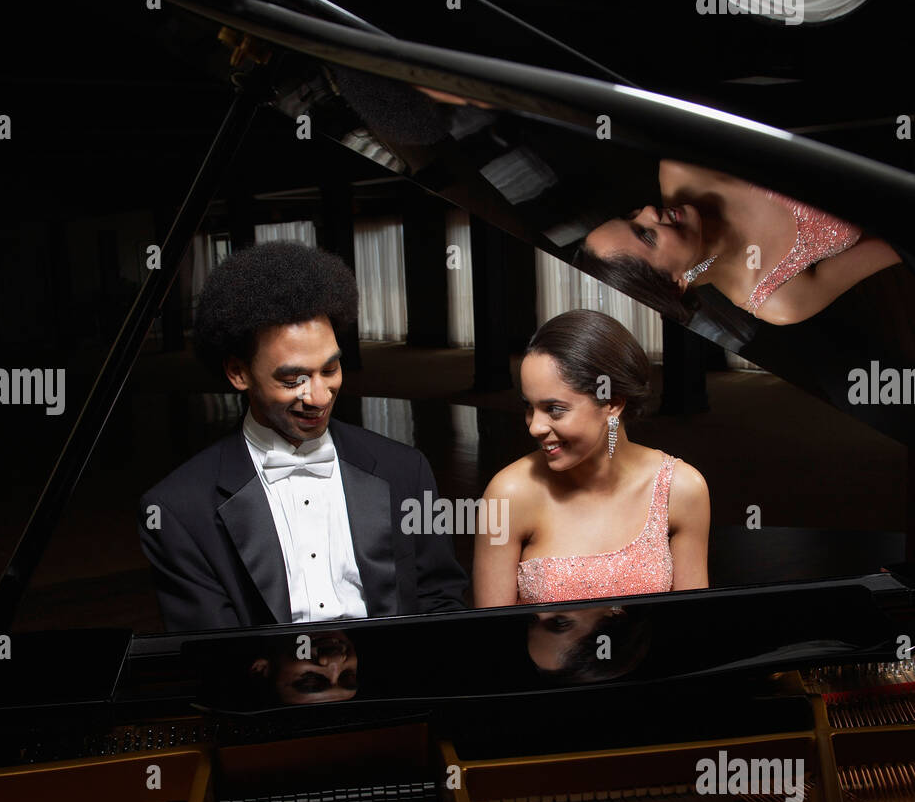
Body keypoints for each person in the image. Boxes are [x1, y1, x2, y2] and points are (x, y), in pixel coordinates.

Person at [139, 241, 467, 631]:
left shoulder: (405, 470)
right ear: (238, 373)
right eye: (293, 379)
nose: (319, 397)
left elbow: (440, 602)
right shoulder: (177, 508)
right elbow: (214, 652)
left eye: (330, 370)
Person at [472, 309, 709, 607]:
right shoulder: (508, 495)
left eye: (554, 409)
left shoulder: (682, 488)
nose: (535, 426)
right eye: (529, 408)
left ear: (612, 403)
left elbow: (692, 626)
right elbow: (493, 638)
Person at [575, 160, 901, 326]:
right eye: (646, 235)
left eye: (632, 215)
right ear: (676, 286)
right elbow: (896, 242)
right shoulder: (778, 301)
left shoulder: (682, 166)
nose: (648, 211)